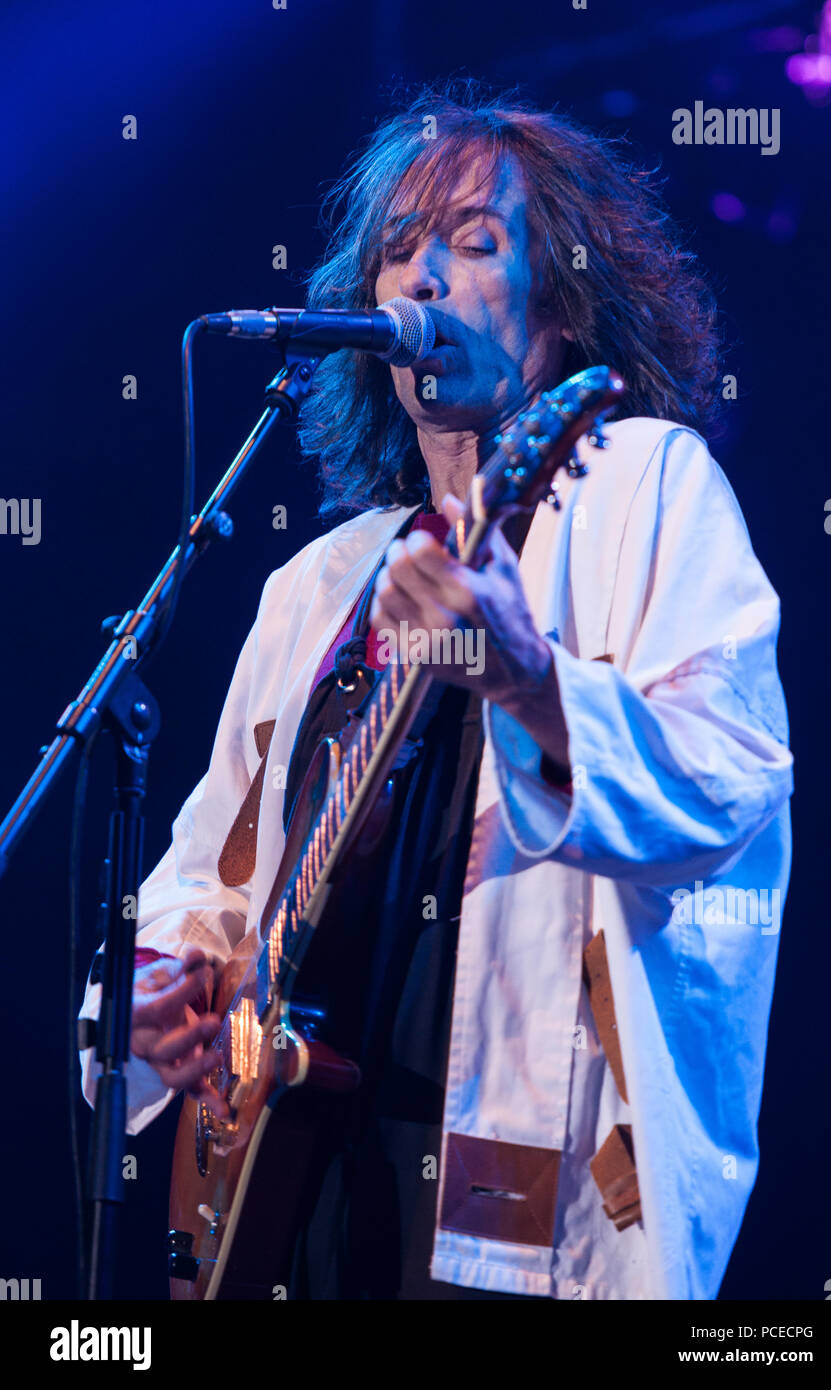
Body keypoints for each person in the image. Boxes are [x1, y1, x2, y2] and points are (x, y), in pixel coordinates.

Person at [79, 81, 793, 1300]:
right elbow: (212, 868)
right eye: (397, 251)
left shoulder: (643, 488)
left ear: (562, 308)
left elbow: (726, 781)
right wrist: (146, 1000)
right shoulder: (320, 583)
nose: (420, 281)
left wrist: (527, 677)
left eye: (473, 244)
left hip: (527, 1213)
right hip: (298, 1201)